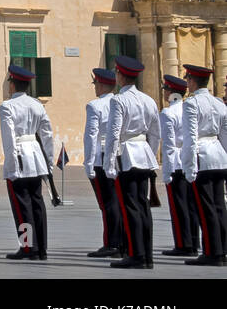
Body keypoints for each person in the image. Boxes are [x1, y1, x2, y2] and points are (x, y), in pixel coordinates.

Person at [103, 55, 159, 269]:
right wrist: (150, 154)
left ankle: (136, 254)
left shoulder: (118, 100)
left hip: (126, 155)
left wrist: (109, 163)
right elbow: (155, 133)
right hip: (143, 154)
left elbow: (113, 133)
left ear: (120, 75)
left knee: (130, 207)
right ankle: (147, 255)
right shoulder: (148, 100)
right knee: (143, 206)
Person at [0, 65, 54, 260]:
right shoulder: (37, 104)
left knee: (22, 206)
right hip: (36, 157)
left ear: (12, 85)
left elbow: (9, 139)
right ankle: (42, 248)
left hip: (20, 157)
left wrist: (12, 166)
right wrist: (49, 161)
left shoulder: (7, 106)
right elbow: (47, 134)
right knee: (37, 204)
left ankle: (28, 246)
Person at [180, 63, 227, 266]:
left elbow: (190, 137)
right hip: (219, 155)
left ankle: (211, 252)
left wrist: (189, 167)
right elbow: (225, 134)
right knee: (219, 207)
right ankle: (222, 249)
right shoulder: (219, 103)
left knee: (205, 208)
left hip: (203, 156)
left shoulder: (191, 104)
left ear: (192, 80)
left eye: (188, 79)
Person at [84, 67, 124, 258]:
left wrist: (89, 163)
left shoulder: (95, 105)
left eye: (95, 84)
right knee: (119, 201)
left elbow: (91, 136)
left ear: (100, 85)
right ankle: (123, 242)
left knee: (107, 203)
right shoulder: (122, 102)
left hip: (101, 156)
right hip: (119, 155)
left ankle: (111, 243)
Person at [158, 75, 199, 257]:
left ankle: (183, 244)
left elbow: (168, 144)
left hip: (176, 161)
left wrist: (166, 172)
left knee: (178, 205)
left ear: (170, 92)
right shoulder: (190, 109)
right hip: (191, 159)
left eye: (165, 90)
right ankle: (194, 241)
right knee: (191, 203)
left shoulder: (168, 113)